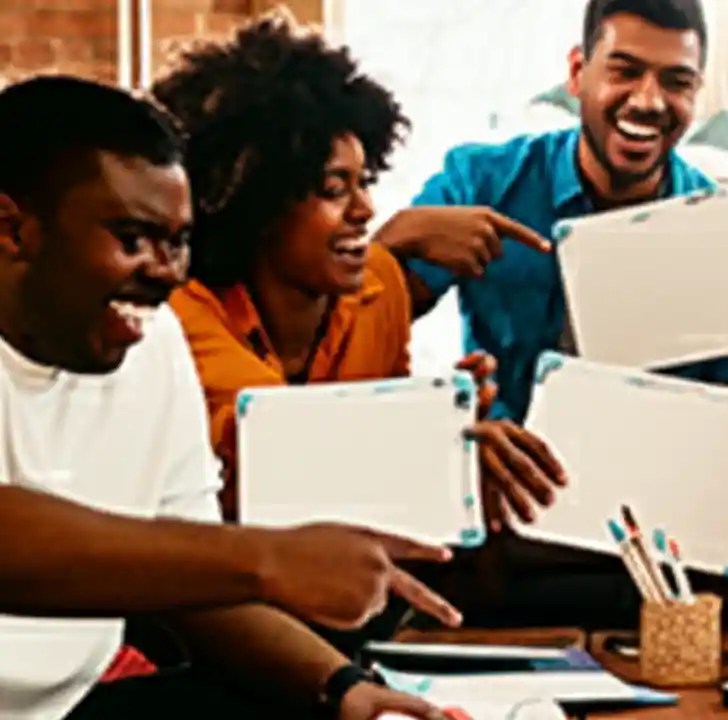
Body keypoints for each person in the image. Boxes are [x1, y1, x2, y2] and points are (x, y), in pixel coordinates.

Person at [0, 76, 458, 720]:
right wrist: (267, 557)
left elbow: (192, 579)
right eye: (131, 239)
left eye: (177, 241)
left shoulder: (153, 342)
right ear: (12, 228)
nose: (166, 273)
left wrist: (344, 689)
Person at [152, 12, 559, 530]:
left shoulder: (381, 284)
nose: (365, 209)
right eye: (335, 189)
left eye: (364, 181)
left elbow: (377, 484)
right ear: (259, 206)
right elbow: (281, 447)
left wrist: (441, 414)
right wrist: (430, 432)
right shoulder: (183, 317)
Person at [376, 0, 728, 429]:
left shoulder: (723, 232)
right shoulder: (482, 184)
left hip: (650, 474)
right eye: (625, 71)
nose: (649, 101)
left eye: (676, 81)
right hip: (501, 470)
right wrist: (392, 240)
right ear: (577, 73)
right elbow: (356, 324)